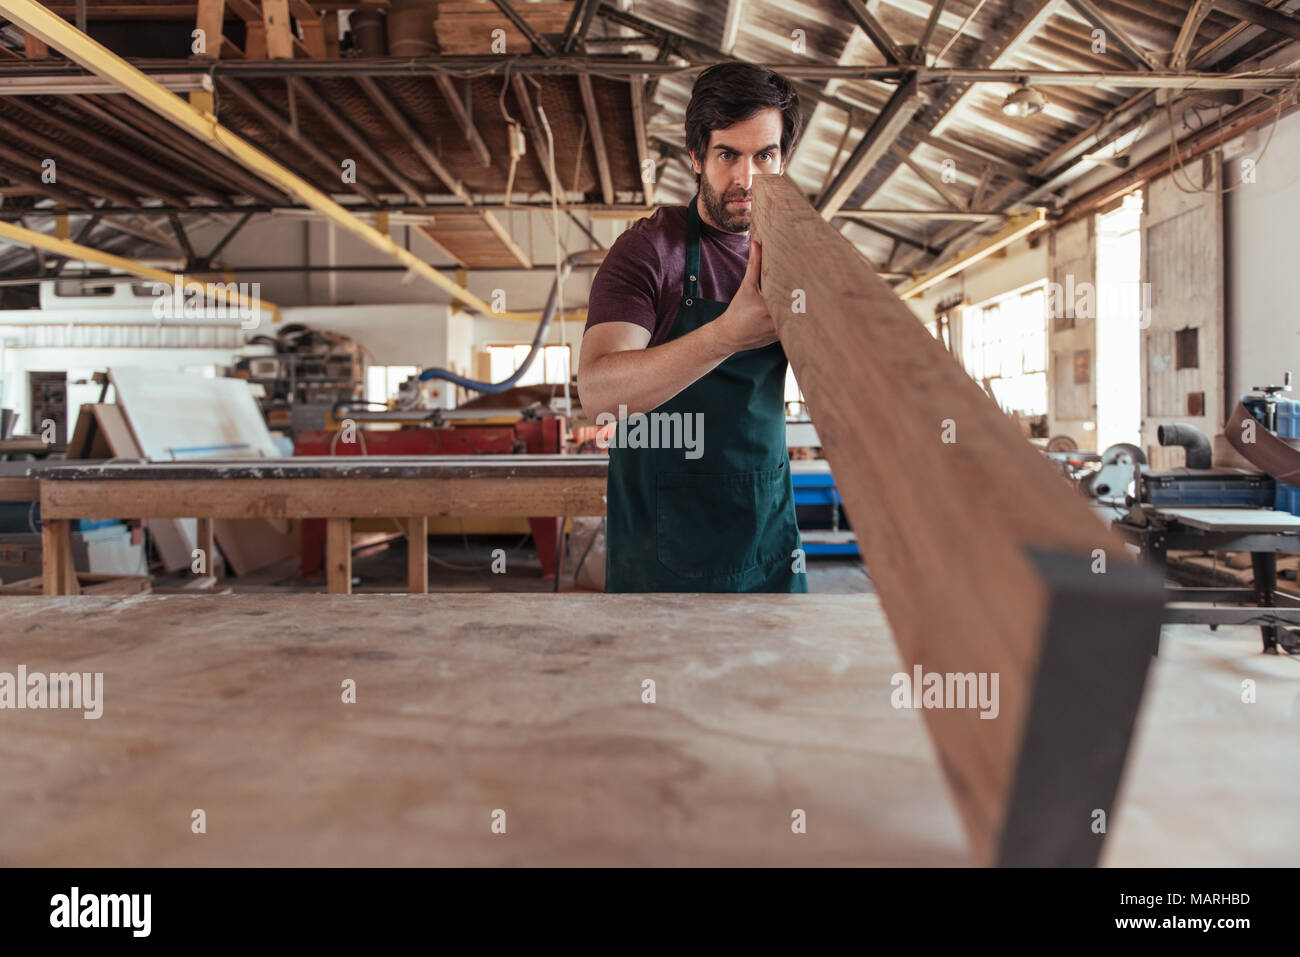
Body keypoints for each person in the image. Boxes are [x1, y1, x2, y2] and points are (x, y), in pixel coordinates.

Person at [578, 62, 806, 593]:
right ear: (696, 158)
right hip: (664, 549)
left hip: (766, 535)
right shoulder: (649, 250)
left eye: (764, 156)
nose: (746, 178)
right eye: (728, 154)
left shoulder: (795, 257)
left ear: (783, 159)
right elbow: (598, 395)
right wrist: (728, 334)